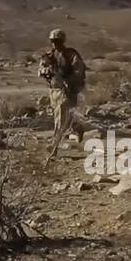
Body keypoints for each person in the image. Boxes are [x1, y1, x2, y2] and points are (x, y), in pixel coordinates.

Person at [38, 29, 89, 165]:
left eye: (58, 41)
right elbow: (40, 70)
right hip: (54, 91)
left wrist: (68, 79)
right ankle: (77, 127)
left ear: (63, 41)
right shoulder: (49, 56)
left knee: (60, 119)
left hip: (67, 91)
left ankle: (53, 148)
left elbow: (79, 71)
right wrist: (46, 71)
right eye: (53, 41)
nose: (55, 44)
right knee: (67, 117)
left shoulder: (71, 55)